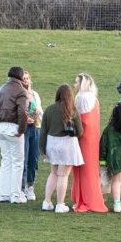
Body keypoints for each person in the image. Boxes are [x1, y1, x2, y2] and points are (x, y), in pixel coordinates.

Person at [39, 83, 83, 213]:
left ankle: (46, 202)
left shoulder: (49, 109)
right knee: (63, 175)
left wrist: (42, 149)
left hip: (52, 143)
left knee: (53, 173)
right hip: (67, 144)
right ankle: (60, 204)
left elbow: (43, 131)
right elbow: (80, 131)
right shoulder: (72, 110)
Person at [0, 66, 30, 204]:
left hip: (0, 126)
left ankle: (3, 194)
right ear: (20, 77)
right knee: (17, 162)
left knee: (6, 161)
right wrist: (21, 130)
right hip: (13, 127)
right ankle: (15, 195)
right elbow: (23, 113)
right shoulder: (21, 91)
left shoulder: (2, 88)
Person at [69, 73, 108, 213]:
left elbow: (78, 120)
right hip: (92, 138)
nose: (74, 85)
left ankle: (83, 198)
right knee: (90, 168)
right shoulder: (94, 99)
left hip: (83, 138)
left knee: (81, 168)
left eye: (76, 82)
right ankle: (90, 196)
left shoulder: (80, 98)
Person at [20, 71, 42, 202]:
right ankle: (21, 187)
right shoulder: (19, 95)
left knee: (33, 159)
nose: (26, 81)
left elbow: (39, 110)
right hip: (24, 129)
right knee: (24, 158)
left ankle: (30, 185)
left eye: (28, 78)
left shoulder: (35, 95)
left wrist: (38, 114)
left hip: (36, 128)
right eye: (24, 79)